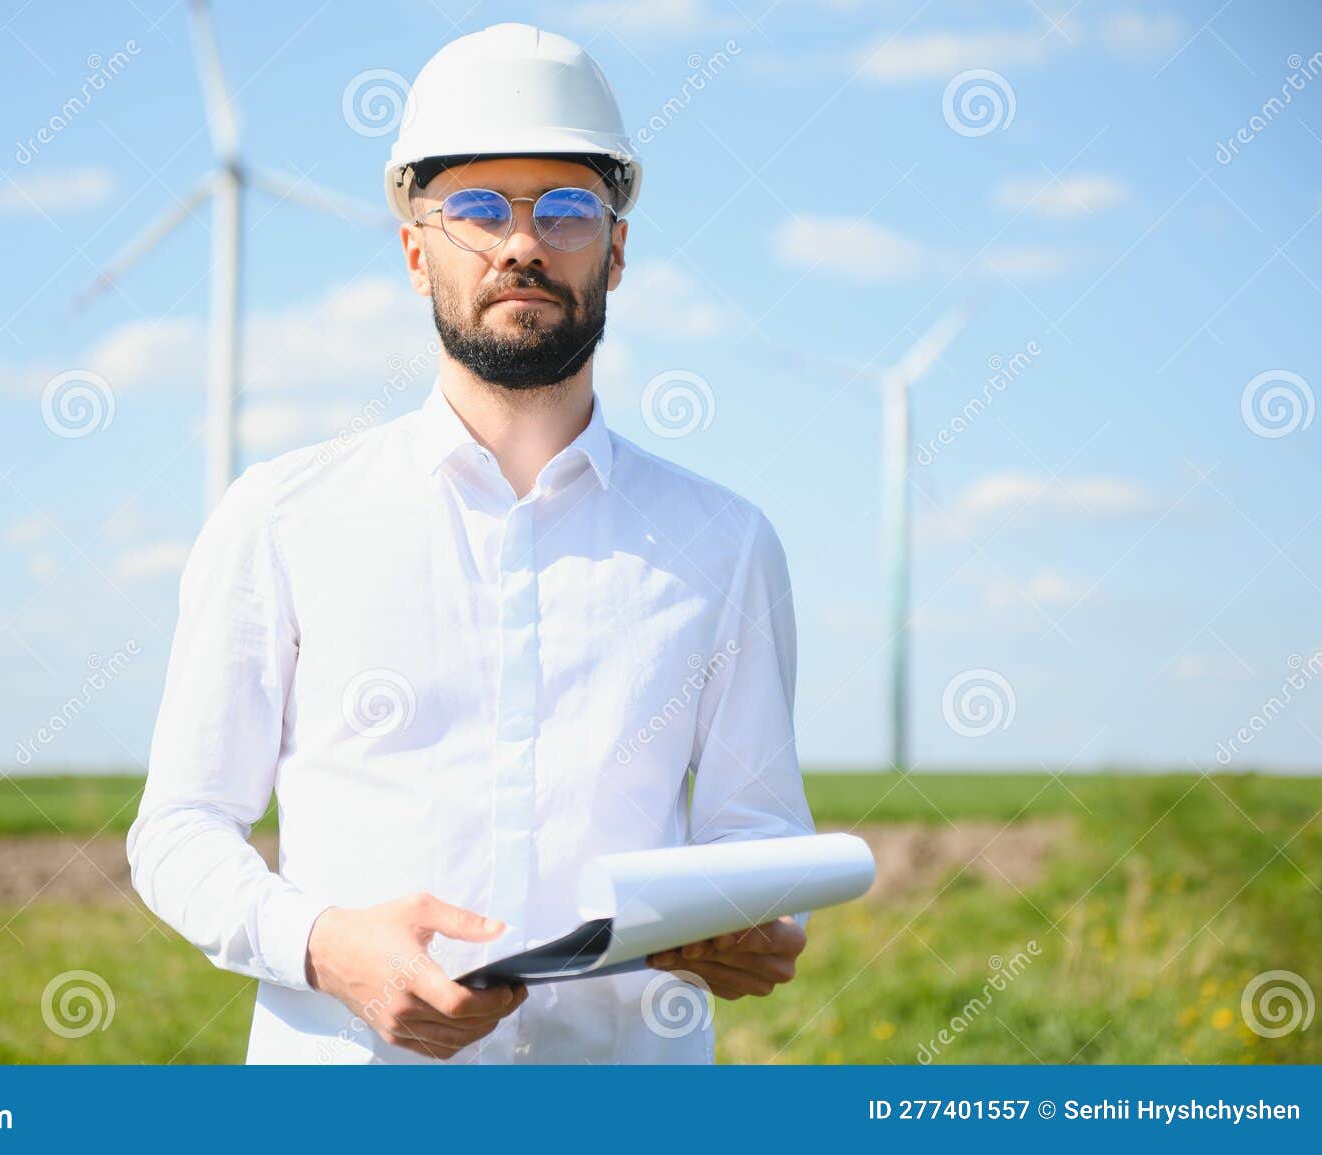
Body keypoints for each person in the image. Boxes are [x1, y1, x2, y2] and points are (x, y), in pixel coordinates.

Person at [128, 21, 815, 1065]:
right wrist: (321, 947)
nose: (522, 244)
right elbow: (176, 832)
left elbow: (758, 838)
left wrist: (758, 922)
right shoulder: (280, 520)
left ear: (616, 252)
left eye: (568, 210)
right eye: (478, 210)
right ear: (416, 251)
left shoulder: (726, 546)